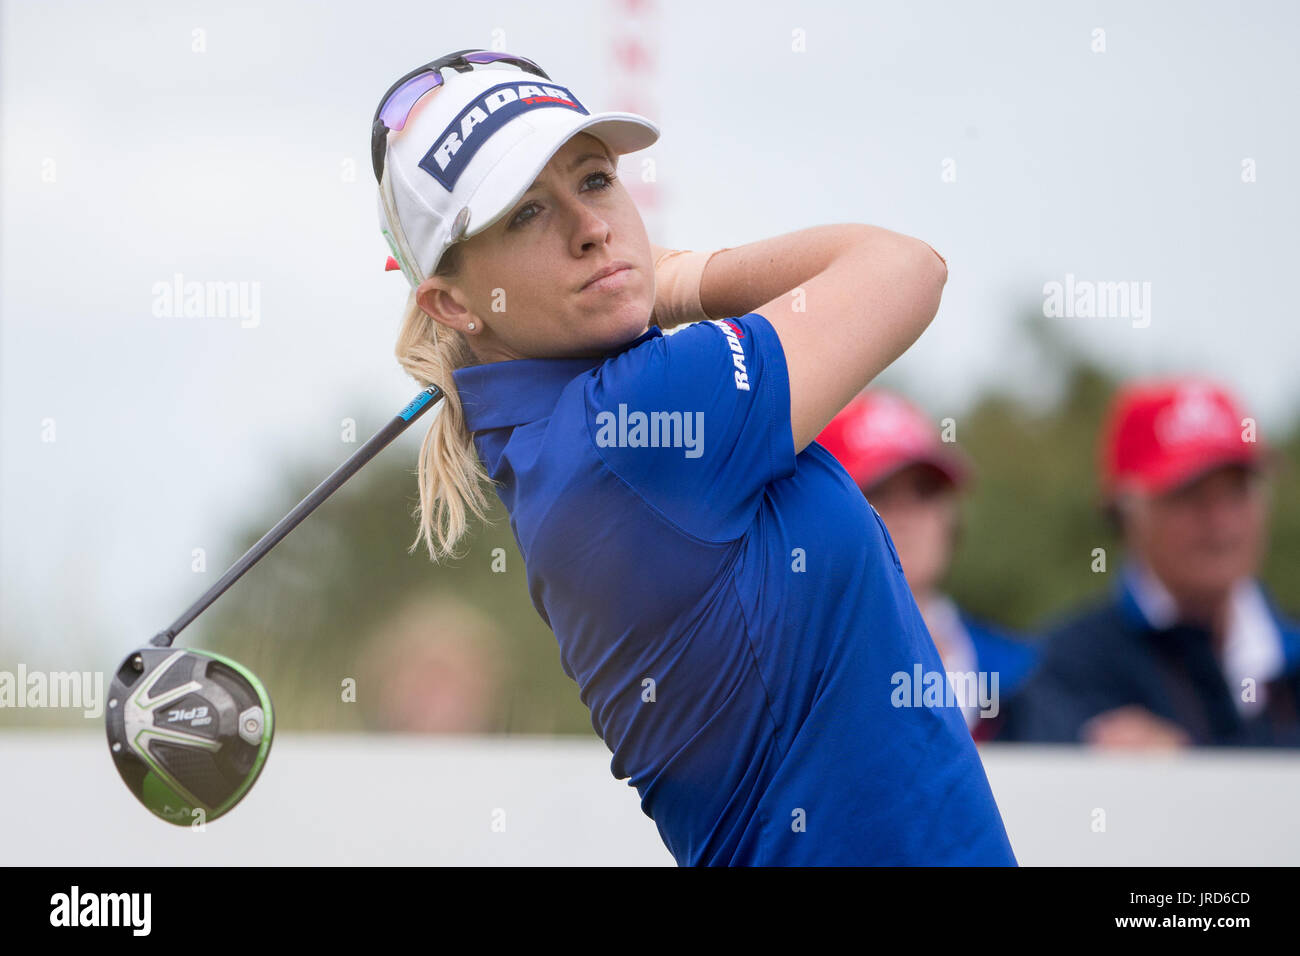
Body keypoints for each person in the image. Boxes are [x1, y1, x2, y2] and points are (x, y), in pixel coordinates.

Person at [371, 49, 1017, 864]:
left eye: (596, 179)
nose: (592, 228)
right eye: (527, 213)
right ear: (453, 302)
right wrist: (680, 279)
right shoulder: (634, 417)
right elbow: (906, 269)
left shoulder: (560, 440)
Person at [1002, 379, 1300, 748]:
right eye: (1191, 494)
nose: (1222, 521)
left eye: (1238, 491)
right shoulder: (1063, 672)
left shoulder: (1289, 656)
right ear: (1128, 512)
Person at [815, 391, 1038, 740]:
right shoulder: (786, 679)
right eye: (876, 491)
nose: (906, 515)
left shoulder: (1022, 671)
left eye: (925, 492)